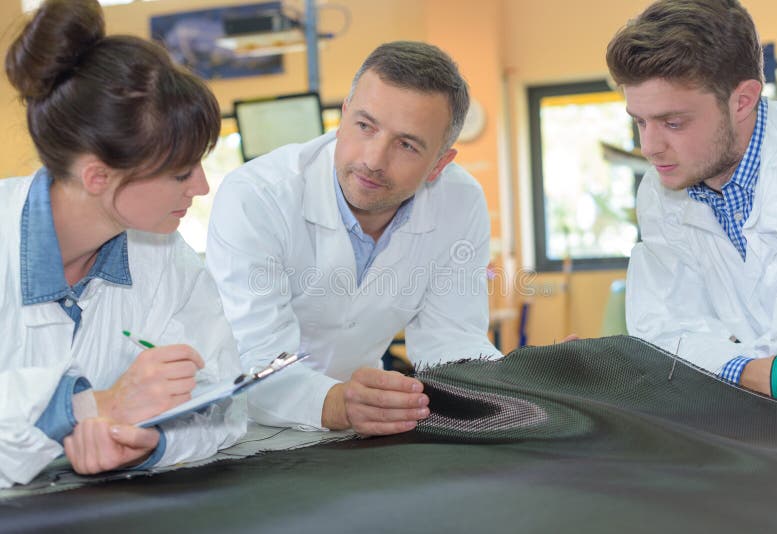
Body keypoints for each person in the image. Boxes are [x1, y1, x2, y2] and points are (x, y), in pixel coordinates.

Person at [0, 0, 246, 488]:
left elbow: (224, 406)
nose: (200, 187)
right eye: (180, 172)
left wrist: (149, 443)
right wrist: (92, 405)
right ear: (97, 176)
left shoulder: (167, 260)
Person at [206, 41, 501, 436]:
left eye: (407, 145)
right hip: (247, 429)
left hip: (357, 430)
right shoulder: (257, 196)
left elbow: (451, 339)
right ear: (343, 116)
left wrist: (524, 381)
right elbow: (257, 361)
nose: (374, 160)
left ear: (439, 164)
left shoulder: (460, 202)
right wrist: (336, 404)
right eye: (365, 126)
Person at [606, 0, 777, 402]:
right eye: (639, 121)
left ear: (742, 100)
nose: (650, 147)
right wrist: (764, 374)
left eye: (673, 123)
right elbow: (665, 331)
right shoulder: (660, 193)